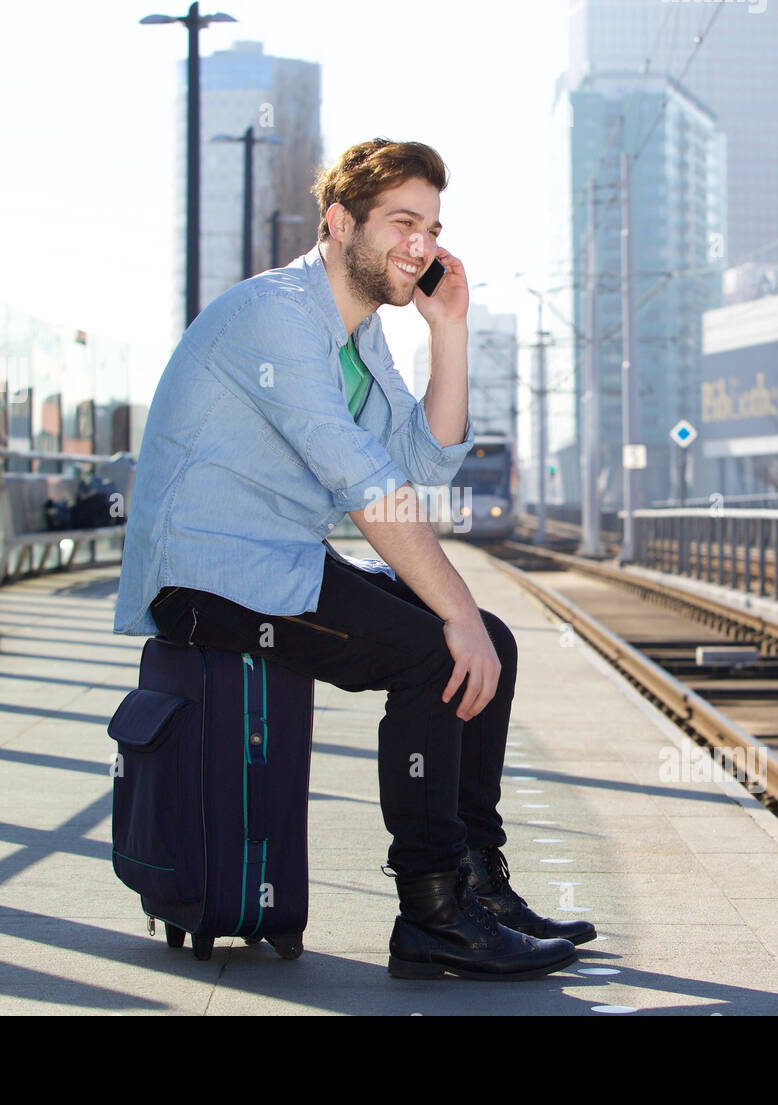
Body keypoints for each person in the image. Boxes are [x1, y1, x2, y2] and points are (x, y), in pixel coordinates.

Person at [113, 138, 595, 980]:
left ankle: (479, 882)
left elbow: (424, 457)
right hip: (206, 577)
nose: (423, 244)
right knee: (435, 651)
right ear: (340, 223)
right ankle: (433, 911)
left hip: (275, 562)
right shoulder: (277, 316)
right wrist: (452, 616)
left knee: (493, 643)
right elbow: (371, 489)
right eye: (402, 222)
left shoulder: (362, 336)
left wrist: (450, 328)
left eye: (434, 227)